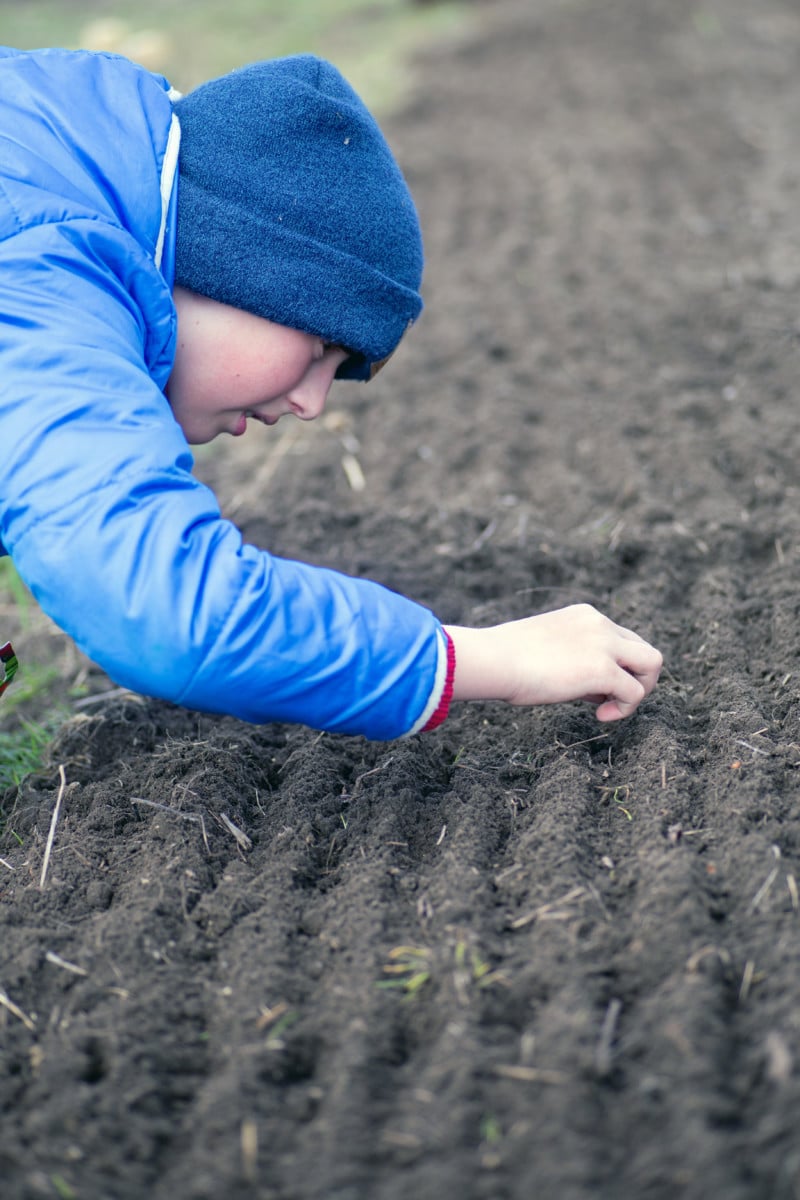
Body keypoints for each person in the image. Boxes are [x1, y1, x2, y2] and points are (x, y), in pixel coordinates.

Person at [0, 46, 662, 739]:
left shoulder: (57, 172)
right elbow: (167, 612)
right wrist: (486, 657)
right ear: (234, 263)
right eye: (319, 349)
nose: (312, 405)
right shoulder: (42, 262)